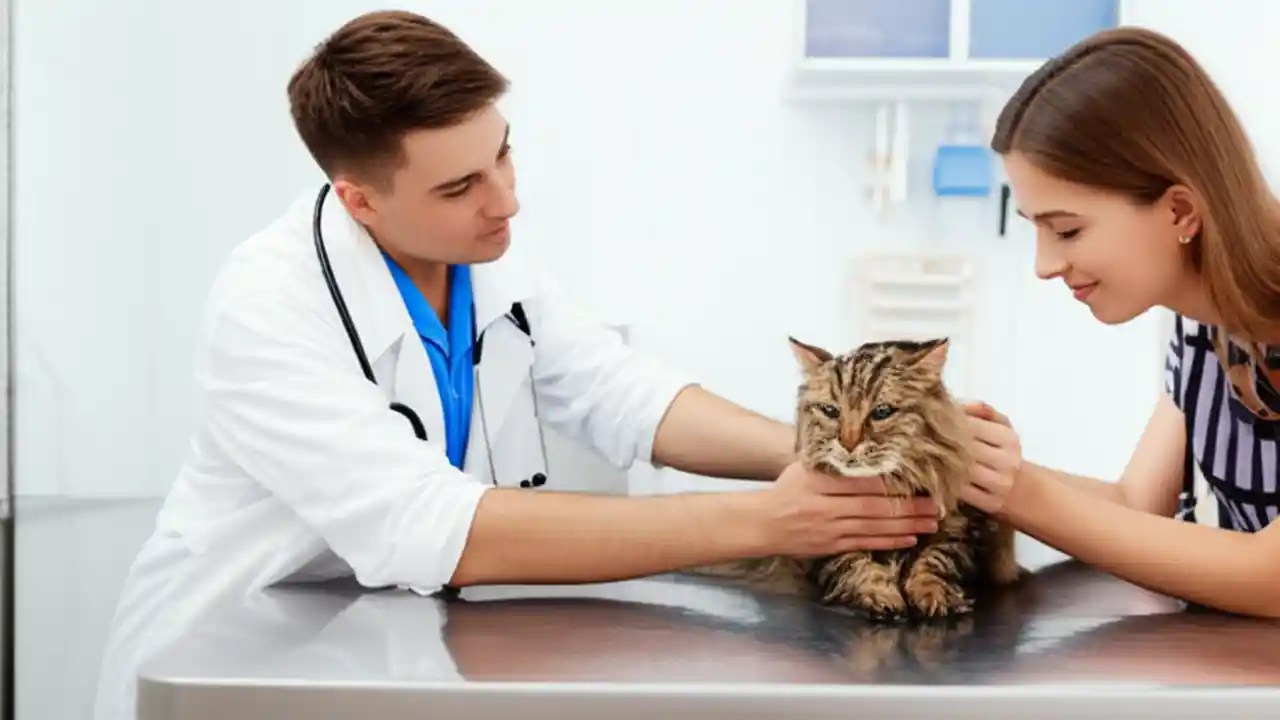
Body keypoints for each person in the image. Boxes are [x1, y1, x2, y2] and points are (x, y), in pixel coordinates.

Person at [93, 10, 937, 719]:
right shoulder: (268, 308)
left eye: (503, 153)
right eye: (460, 187)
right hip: (235, 665)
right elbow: (427, 527)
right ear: (360, 200)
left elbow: (620, 393)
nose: (506, 199)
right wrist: (767, 521)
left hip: (387, 650)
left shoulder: (488, 255)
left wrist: (818, 454)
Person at [961, 26, 1280, 618]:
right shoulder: (1202, 330)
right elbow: (1135, 504)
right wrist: (972, 469)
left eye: (1067, 230)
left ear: (1179, 209)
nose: (1045, 265)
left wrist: (1022, 493)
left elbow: (1272, 574)